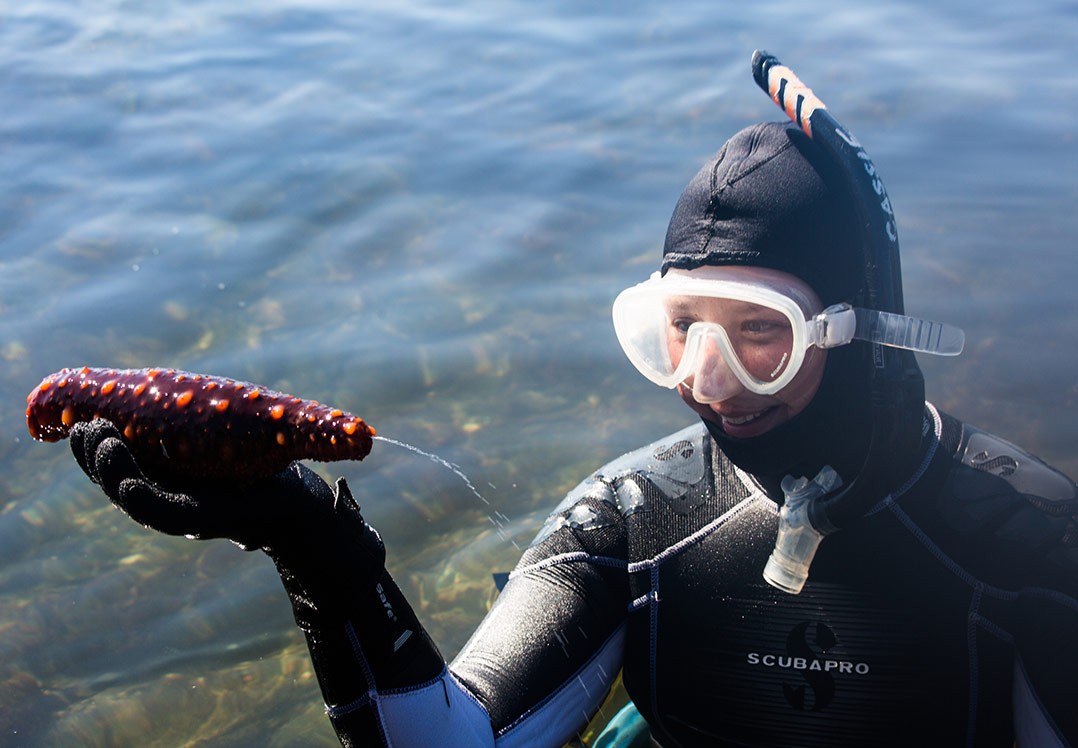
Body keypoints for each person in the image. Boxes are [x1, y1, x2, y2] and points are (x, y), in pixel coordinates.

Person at [68, 66, 1078, 747]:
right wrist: (318, 548)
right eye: (679, 327)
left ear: (863, 334)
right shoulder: (633, 519)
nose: (707, 378)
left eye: (759, 333)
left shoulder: (1029, 549)